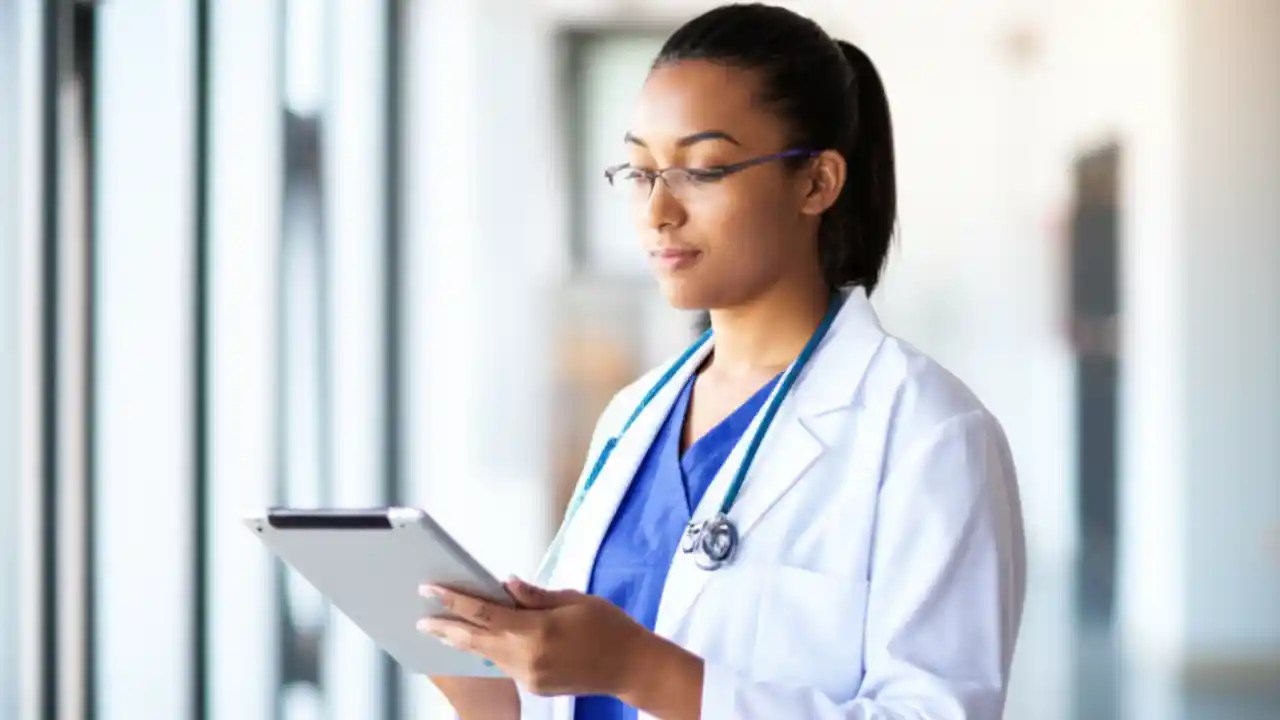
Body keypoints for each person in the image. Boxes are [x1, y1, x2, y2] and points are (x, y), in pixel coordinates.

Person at [417, 3, 1026, 718]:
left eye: (702, 170)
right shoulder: (634, 415)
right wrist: (495, 693)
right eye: (641, 171)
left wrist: (644, 670)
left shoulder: (928, 433)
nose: (657, 212)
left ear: (816, 183)